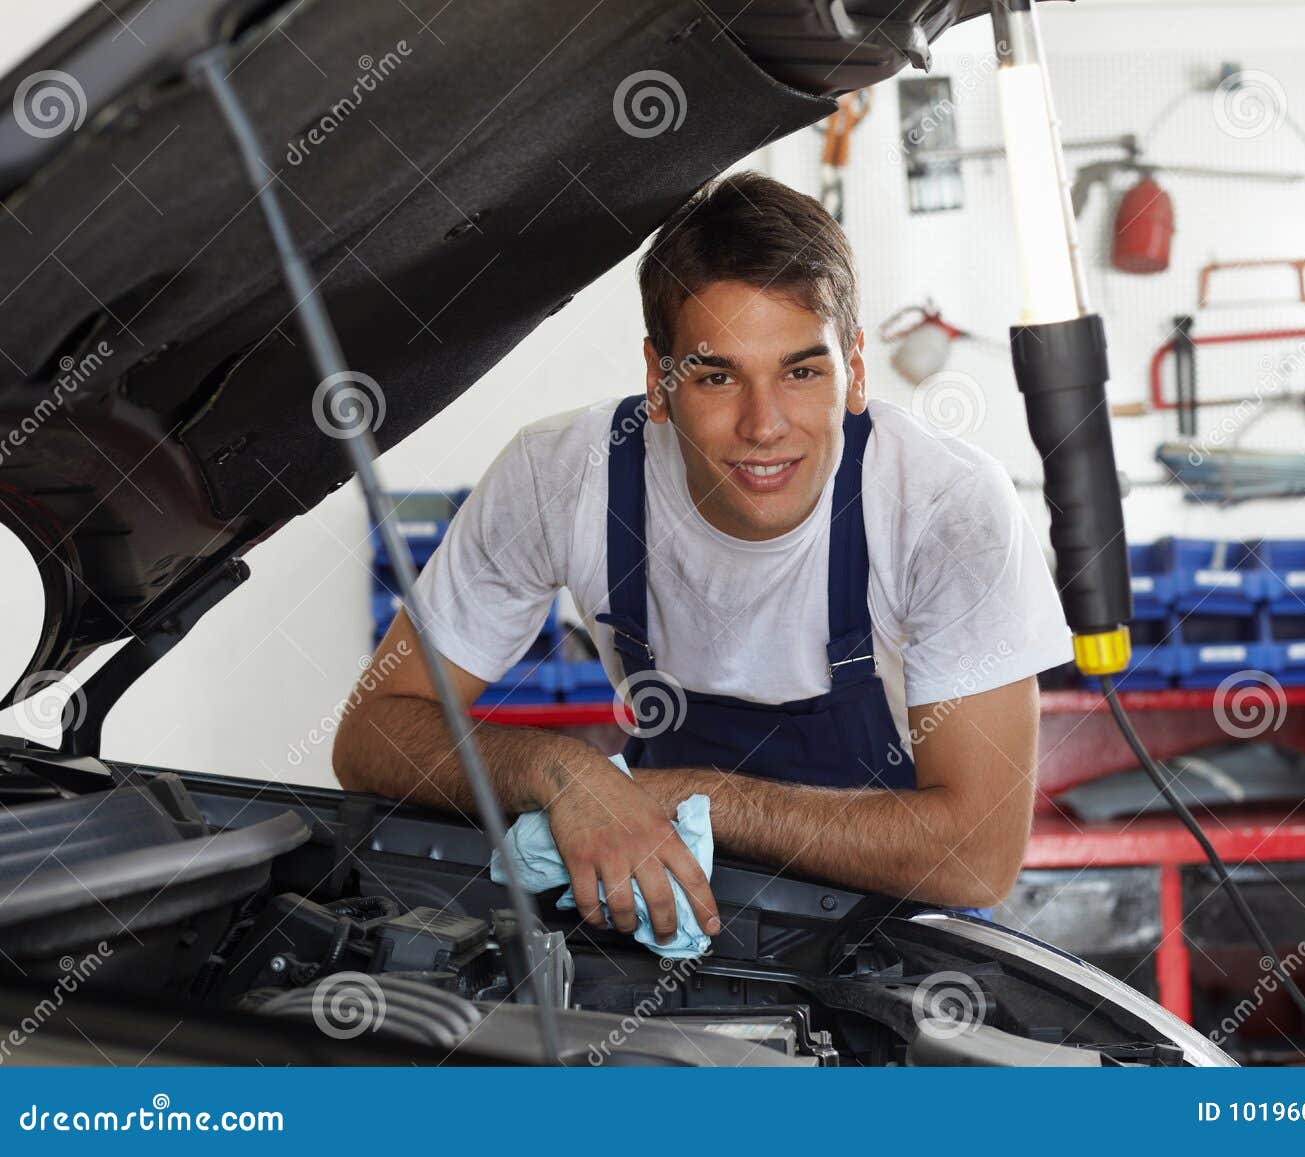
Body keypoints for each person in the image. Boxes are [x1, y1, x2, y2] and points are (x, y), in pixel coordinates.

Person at [332, 172, 1072, 942]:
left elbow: (975, 857)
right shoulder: (563, 477)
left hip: (900, 934)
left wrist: (674, 797)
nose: (764, 424)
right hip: (667, 906)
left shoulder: (947, 508)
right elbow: (371, 736)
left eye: (801, 371)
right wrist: (561, 773)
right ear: (659, 381)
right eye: (717, 376)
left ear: (855, 369)